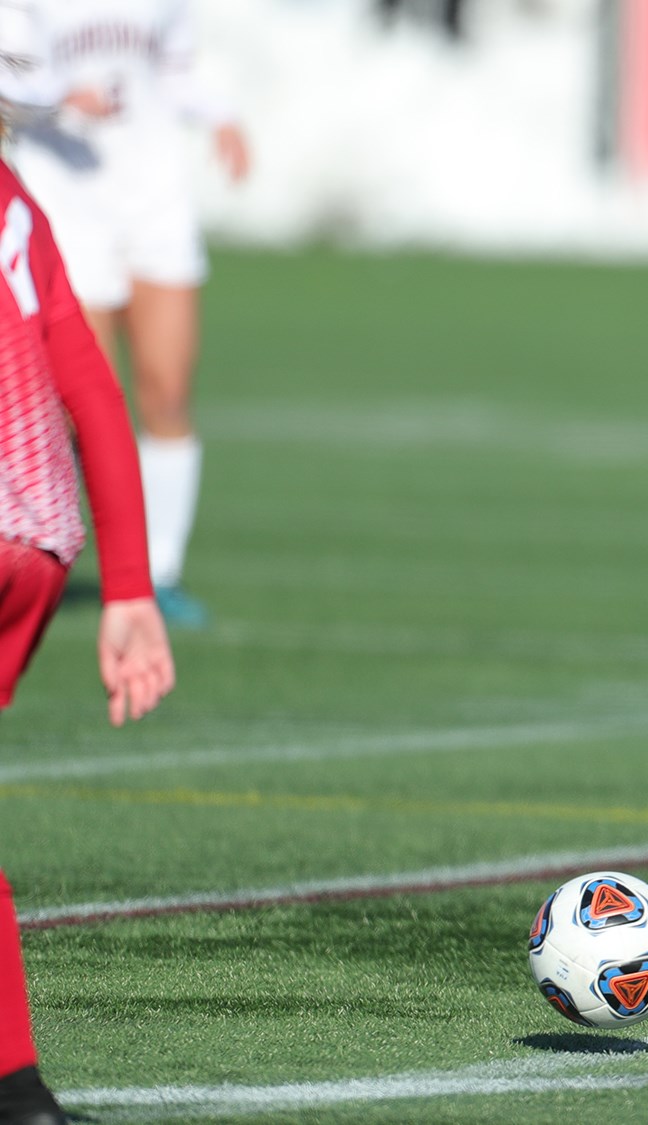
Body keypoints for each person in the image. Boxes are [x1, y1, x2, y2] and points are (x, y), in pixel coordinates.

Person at [0, 140, 175, 1125]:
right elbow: (94, 389)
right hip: (38, 536)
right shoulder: (13, 192)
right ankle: (17, 1092)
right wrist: (130, 590)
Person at [0, 0, 252, 628]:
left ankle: (159, 574)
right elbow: (7, 80)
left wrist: (221, 116)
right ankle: (78, 558)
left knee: (167, 392)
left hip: (153, 199)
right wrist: (62, 94)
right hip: (66, 202)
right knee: (82, 406)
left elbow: (175, 70)